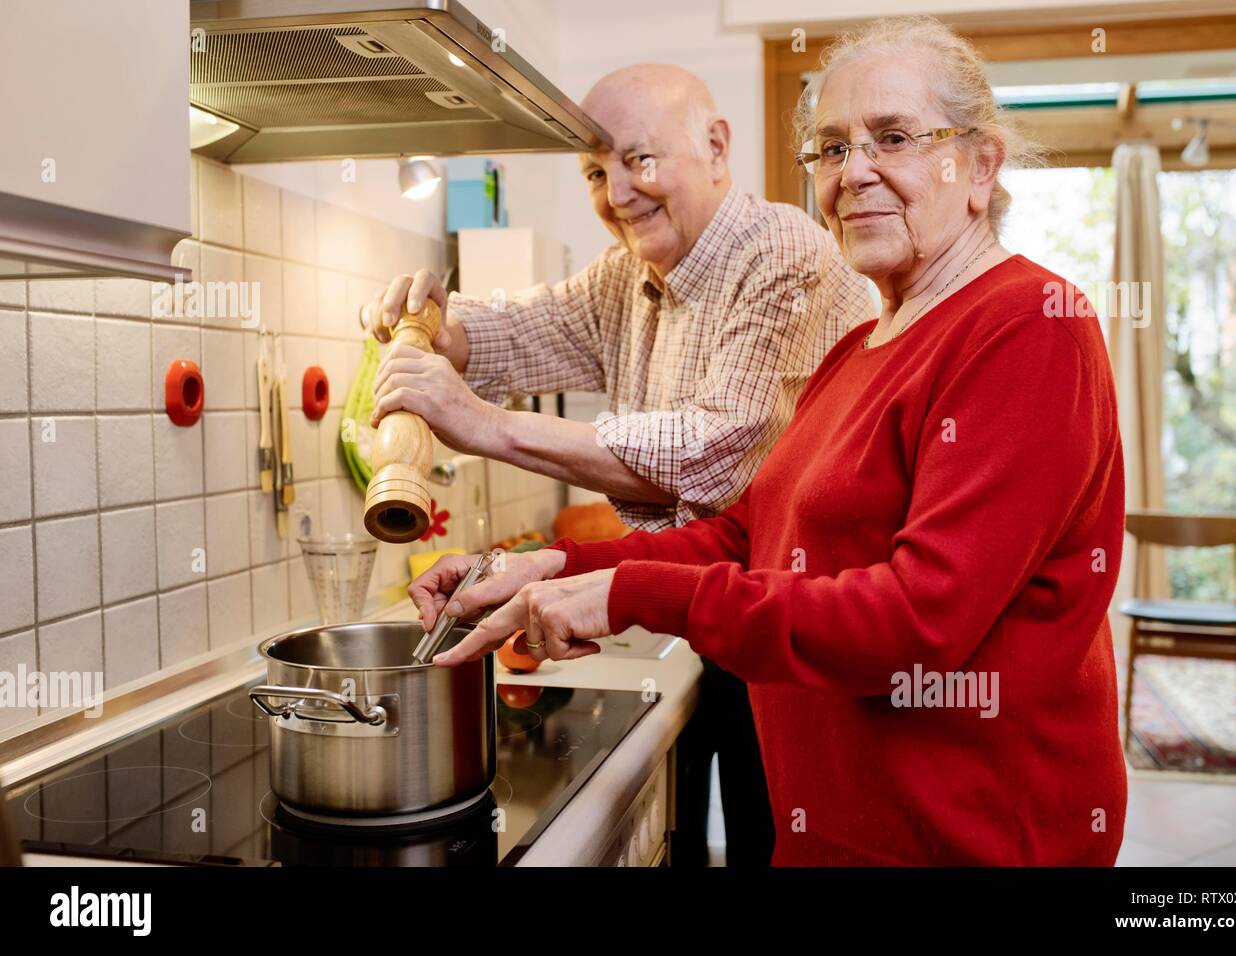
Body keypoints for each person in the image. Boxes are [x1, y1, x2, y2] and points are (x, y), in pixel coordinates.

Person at [425, 17, 1128, 866]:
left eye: (892, 139)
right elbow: (745, 536)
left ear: (980, 167)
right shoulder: (857, 349)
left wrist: (633, 596)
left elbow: (918, 619)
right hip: (841, 835)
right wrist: (548, 569)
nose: (853, 173)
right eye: (831, 149)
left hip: (970, 840)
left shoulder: (1027, 328)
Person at [365, 64, 878, 866]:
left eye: (639, 160)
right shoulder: (630, 275)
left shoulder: (784, 251)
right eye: (596, 171)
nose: (617, 193)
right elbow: (521, 329)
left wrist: (480, 424)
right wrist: (433, 321)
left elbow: (717, 452)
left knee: (774, 843)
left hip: (807, 635)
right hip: (714, 601)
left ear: (716, 147)